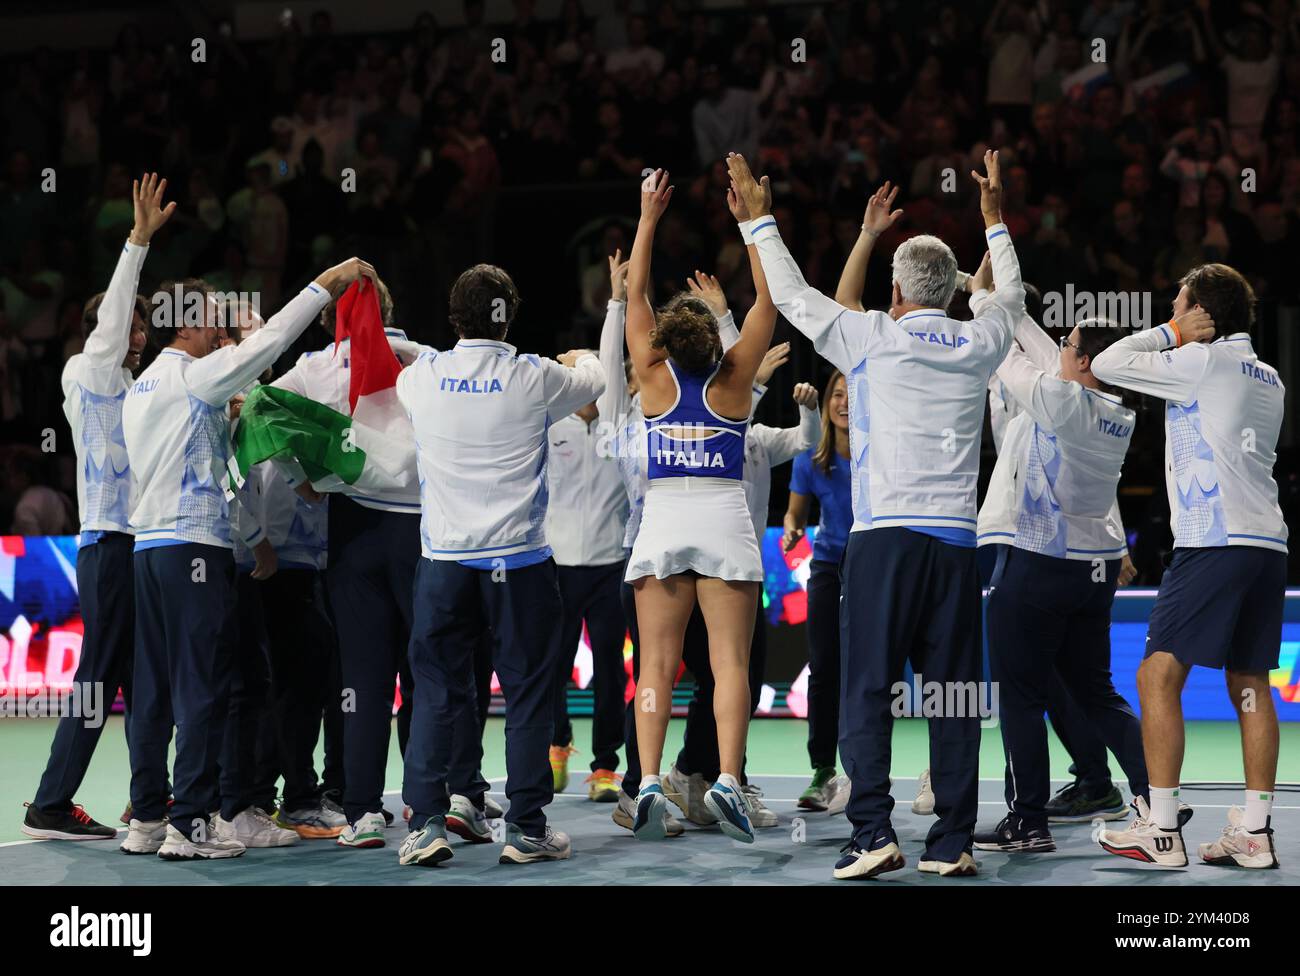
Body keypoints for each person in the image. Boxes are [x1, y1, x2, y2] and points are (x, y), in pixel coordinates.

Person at [733, 150, 1025, 878]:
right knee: (954, 694)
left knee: (867, 687)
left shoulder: (870, 338)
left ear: (895, 289)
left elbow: (797, 298)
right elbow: (1011, 300)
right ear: (949, 293)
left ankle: (873, 834)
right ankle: (953, 842)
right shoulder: (976, 340)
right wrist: (994, 222)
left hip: (884, 544)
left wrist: (759, 223)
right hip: (957, 549)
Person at [120, 250, 375, 862]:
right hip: (192, 552)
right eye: (209, 317)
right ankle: (193, 823)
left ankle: (149, 816)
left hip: (147, 551)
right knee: (205, 687)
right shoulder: (192, 376)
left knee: (154, 691)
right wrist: (326, 283)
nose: (218, 328)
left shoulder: (140, 387)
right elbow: (273, 340)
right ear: (183, 325)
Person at [398, 263, 604, 867]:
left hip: (445, 567)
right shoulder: (536, 376)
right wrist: (580, 354)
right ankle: (526, 828)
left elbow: (395, 349)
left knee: (435, 691)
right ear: (508, 316)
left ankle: (428, 821)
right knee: (528, 696)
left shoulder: (424, 376)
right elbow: (594, 376)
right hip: (520, 565)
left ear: (454, 316)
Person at [1093, 265, 1286, 869]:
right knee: (1250, 683)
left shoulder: (1203, 362)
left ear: (1202, 311)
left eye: (1181, 304)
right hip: (1266, 545)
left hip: (1213, 540)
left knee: (1156, 676)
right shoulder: (1270, 375)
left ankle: (1161, 827)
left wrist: (1171, 332)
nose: (1174, 311)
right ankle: (1253, 831)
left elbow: (1106, 363)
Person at [623, 168, 776, 844]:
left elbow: (633, 291)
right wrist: (749, 222)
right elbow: (771, 299)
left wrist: (649, 218)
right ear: (713, 341)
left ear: (662, 344)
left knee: (655, 665)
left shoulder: (650, 379)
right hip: (722, 519)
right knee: (729, 664)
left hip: (662, 520)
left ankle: (651, 779)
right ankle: (728, 780)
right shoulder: (737, 380)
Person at [21, 173, 167, 843]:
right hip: (108, 544)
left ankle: (150, 801)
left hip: (140, 548)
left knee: (143, 679)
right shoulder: (86, 371)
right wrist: (136, 241)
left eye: (142, 320)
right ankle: (51, 802)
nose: (139, 329)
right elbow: (109, 330)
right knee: (98, 677)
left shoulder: (138, 384)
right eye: (130, 318)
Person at [972, 305, 1150, 854]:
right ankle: (1156, 801)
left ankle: (1026, 822)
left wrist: (987, 305)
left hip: (1038, 565)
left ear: (1086, 361)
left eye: (1068, 344)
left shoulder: (1061, 399)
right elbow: (1039, 345)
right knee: (1097, 692)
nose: (1060, 349)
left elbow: (1007, 350)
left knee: (1021, 697)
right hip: (1090, 572)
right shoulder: (1118, 409)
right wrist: (1000, 281)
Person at [543, 331, 631, 801]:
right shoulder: (549, 424)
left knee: (610, 671)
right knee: (552, 666)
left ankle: (604, 767)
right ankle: (558, 744)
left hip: (609, 566)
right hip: (556, 566)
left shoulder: (622, 428)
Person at [783, 370, 852, 811]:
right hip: (828, 568)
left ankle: (866, 771)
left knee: (868, 673)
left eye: (851, 395)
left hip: (872, 569)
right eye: (837, 395)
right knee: (824, 669)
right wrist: (791, 532)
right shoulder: (810, 459)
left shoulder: (878, 453)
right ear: (826, 403)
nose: (844, 403)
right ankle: (823, 770)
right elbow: (795, 515)